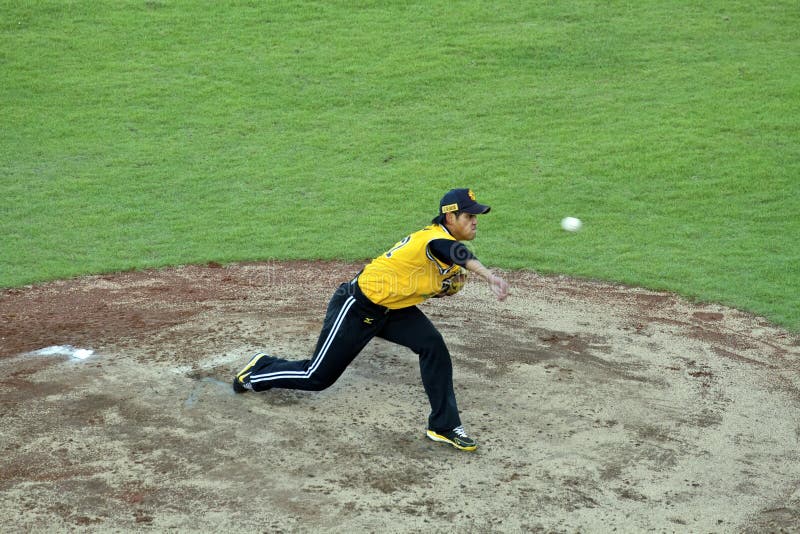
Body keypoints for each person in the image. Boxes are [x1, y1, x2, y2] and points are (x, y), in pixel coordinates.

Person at [232, 188, 510, 451]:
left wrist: (443, 289)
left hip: (393, 309)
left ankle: (445, 426)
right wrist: (489, 276)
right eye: (469, 216)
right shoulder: (433, 239)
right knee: (316, 377)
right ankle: (257, 372)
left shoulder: (441, 249)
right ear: (450, 218)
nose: (475, 222)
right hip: (357, 306)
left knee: (432, 346)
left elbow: (428, 278)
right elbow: (457, 253)